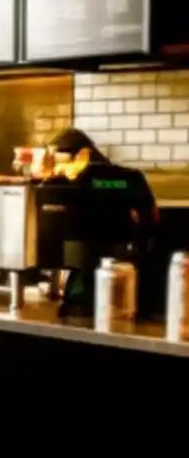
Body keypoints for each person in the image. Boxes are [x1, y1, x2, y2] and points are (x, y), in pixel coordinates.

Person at [48, 127, 161, 318]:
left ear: (80, 156)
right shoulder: (130, 178)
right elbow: (152, 219)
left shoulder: (61, 183)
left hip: (81, 281)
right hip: (127, 275)